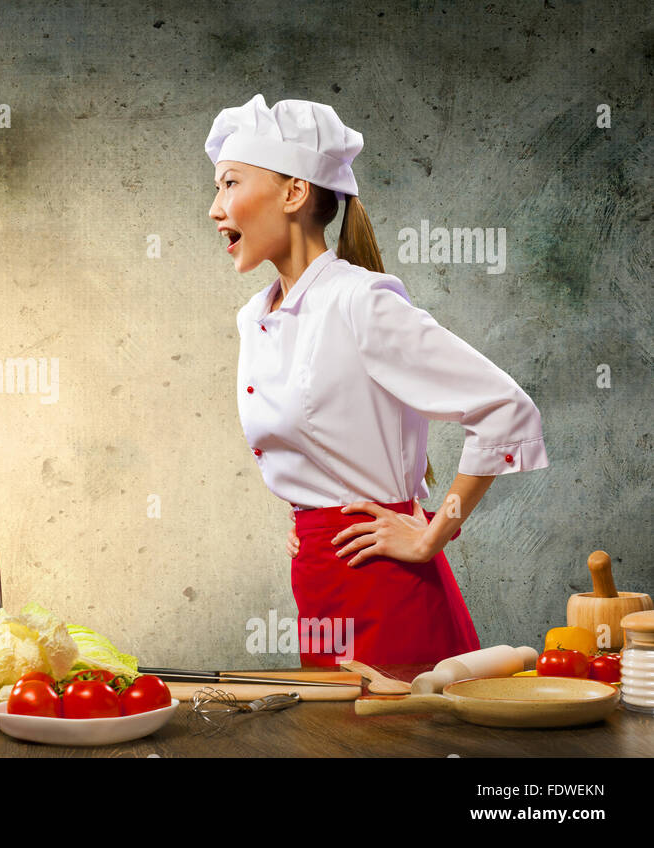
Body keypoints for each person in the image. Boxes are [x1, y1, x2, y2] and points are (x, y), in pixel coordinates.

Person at [205, 94, 548, 667]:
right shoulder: (254, 317)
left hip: (388, 589)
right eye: (216, 188)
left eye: (230, 184)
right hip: (317, 584)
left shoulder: (360, 301)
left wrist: (434, 532)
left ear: (295, 193)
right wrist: (311, 514)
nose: (216, 209)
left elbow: (505, 408)